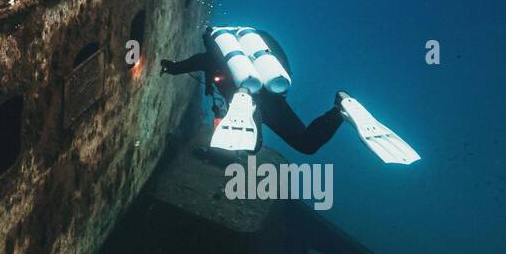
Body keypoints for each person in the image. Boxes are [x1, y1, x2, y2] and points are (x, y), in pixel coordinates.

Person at [161, 26, 418, 163]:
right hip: (274, 97)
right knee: (306, 144)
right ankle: (340, 109)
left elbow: (185, 65)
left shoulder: (209, 57)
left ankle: (246, 103)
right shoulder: (255, 52)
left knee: (249, 146)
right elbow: (284, 66)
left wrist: (169, 67)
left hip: (248, 100)